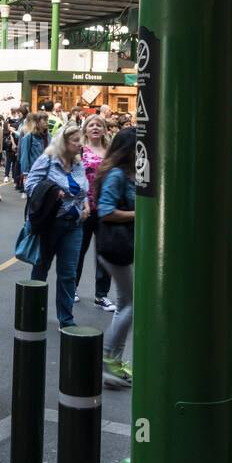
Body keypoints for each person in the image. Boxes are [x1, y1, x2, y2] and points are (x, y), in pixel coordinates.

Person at [24, 123, 90, 327]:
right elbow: (30, 185)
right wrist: (52, 192)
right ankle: (33, 314)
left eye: (81, 140)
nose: (81, 144)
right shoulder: (48, 159)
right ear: (64, 142)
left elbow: (82, 189)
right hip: (50, 224)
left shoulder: (78, 163)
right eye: (76, 140)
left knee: (68, 274)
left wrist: (85, 205)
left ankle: (66, 319)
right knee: (41, 269)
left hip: (74, 224)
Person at [94, 128, 136, 388]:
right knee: (132, 305)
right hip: (116, 249)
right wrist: (139, 214)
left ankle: (114, 363)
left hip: (118, 248)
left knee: (125, 304)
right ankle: (109, 359)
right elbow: (106, 210)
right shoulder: (117, 174)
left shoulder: (124, 173)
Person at [75, 114, 115, 311]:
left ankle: (102, 295)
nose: (95, 128)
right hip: (84, 208)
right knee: (78, 250)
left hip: (105, 209)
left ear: (105, 129)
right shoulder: (79, 149)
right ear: (85, 129)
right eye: (91, 125)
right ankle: (72, 288)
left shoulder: (110, 152)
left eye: (99, 125)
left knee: (104, 252)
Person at [19, 111, 49, 200]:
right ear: (38, 122)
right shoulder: (29, 137)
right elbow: (24, 156)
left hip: (47, 173)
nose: (47, 122)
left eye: (47, 120)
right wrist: (25, 174)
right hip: (34, 173)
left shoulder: (49, 136)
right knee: (34, 201)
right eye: (45, 120)